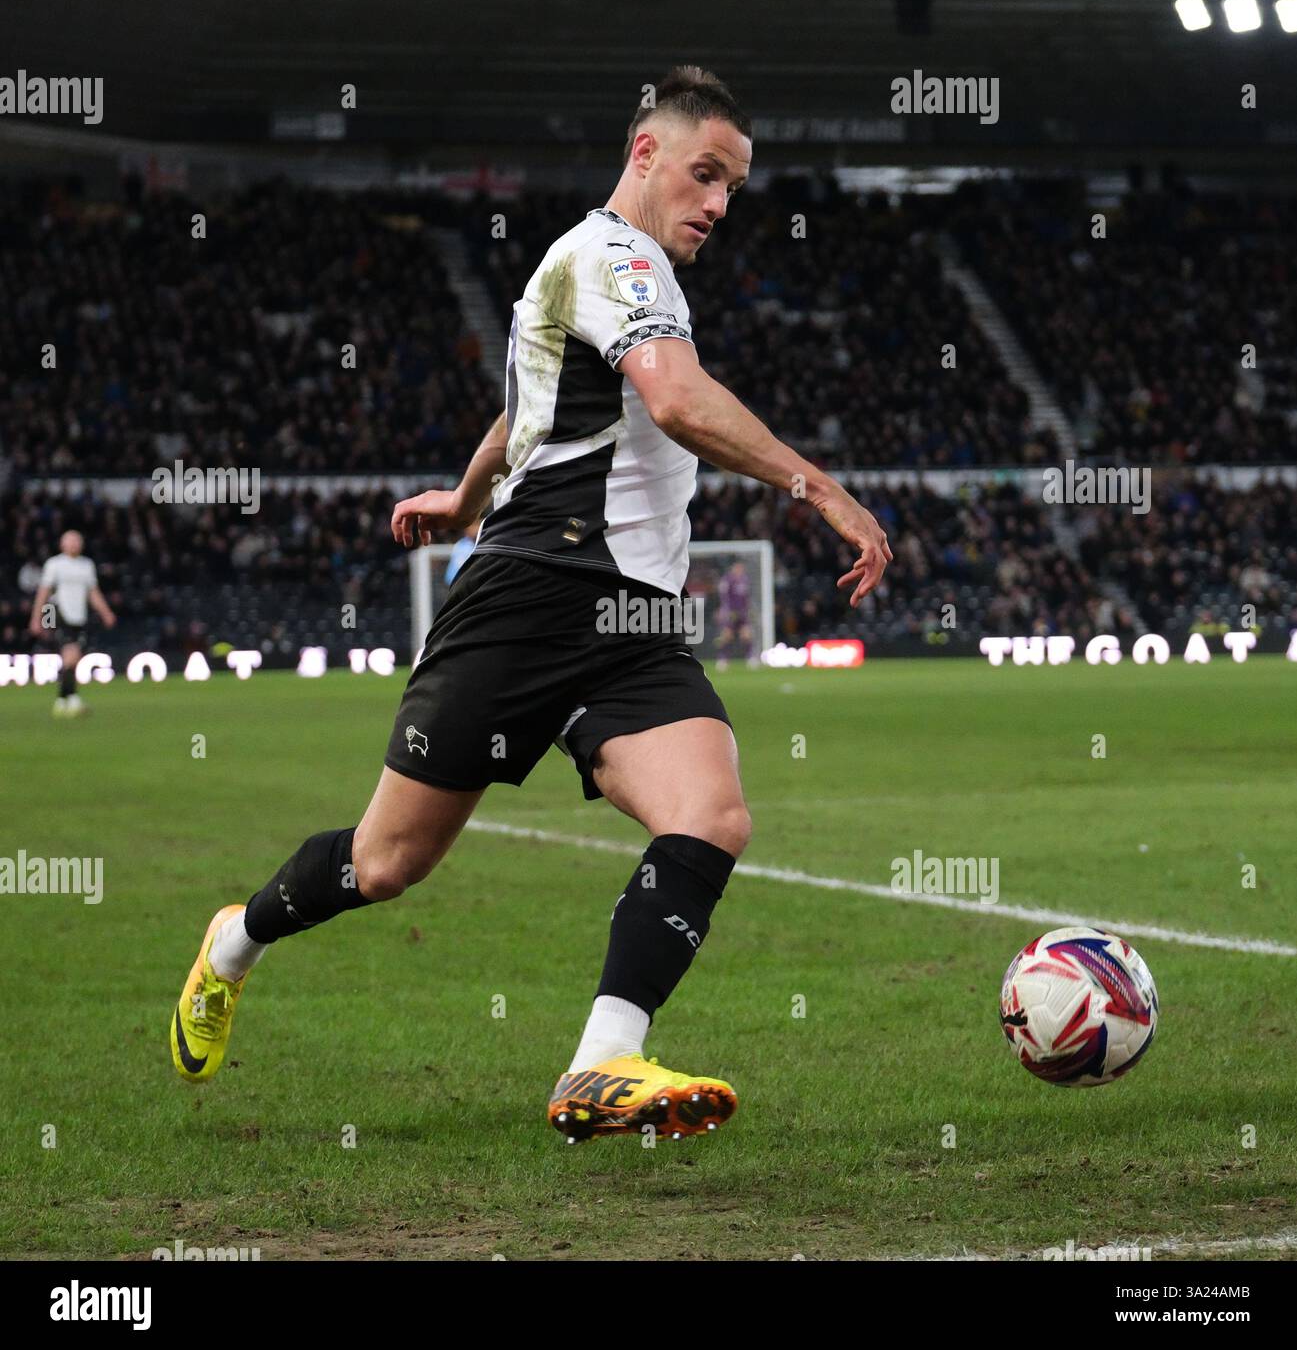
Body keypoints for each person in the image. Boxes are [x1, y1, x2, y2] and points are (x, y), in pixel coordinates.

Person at [170, 66, 891, 1143]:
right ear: (645, 152)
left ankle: (599, 1063)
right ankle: (236, 939)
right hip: (534, 591)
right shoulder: (612, 255)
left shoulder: (599, 274)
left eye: (734, 188)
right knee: (387, 862)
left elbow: (525, 412)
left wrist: (462, 496)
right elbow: (676, 398)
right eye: (706, 174)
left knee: (712, 812)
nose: (720, 205)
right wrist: (820, 488)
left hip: (633, 616)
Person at [28, 530, 117, 717]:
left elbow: (93, 592)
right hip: (60, 614)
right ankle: (73, 699)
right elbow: (44, 592)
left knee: (74, 660)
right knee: (71, 656)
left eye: (77, 541)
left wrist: (106, 612)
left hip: (80, 617)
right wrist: (38, 618)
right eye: (70, 541)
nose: (74, 544)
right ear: (62, 544)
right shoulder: (55, 564)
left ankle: (62, 701)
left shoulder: (86, 565)